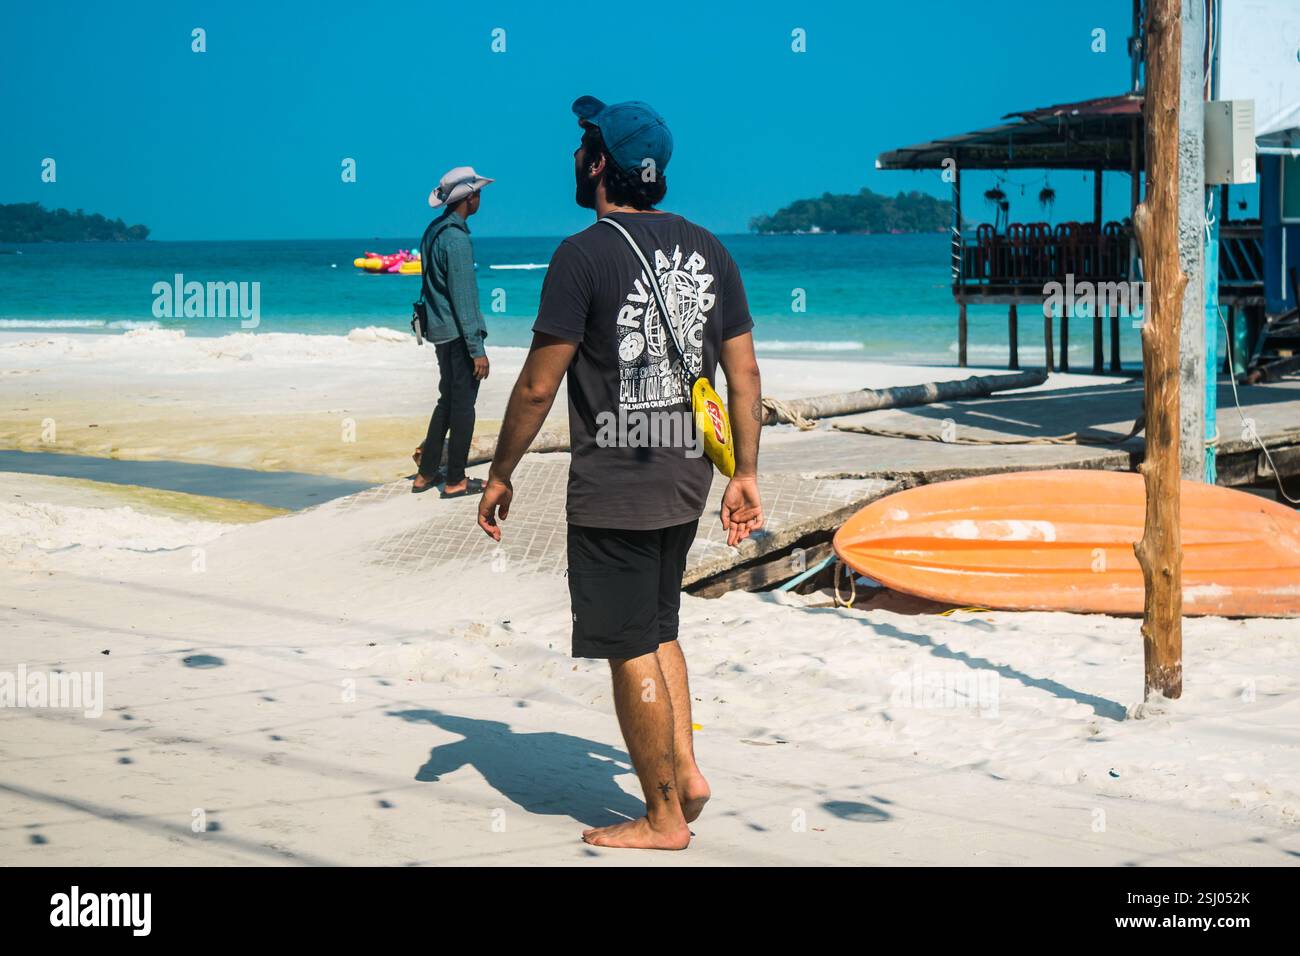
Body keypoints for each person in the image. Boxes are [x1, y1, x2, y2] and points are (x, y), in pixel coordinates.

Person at [477, 98, 764, 849]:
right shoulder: (710, 248)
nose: (573, 158)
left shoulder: (582, 255)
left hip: (615, 488)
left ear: (601, 162)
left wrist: (501, 470)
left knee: (627, 644)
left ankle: (665, 816)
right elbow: (744, 375)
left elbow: (539, 384)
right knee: (660, 627)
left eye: (582, 146)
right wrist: (745, 473)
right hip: (683, 479)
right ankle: (688, 772)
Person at [412, 166, 493, 498]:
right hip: (459, 335)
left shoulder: (433, 230)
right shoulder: (456, 238)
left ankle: (426, 473)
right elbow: (464, 298)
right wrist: (477, 348)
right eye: (478, 193)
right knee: (463, 407)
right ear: (469, 197)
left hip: (440, 331)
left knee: (447, 402)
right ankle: (456, 480)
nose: (480, 199)